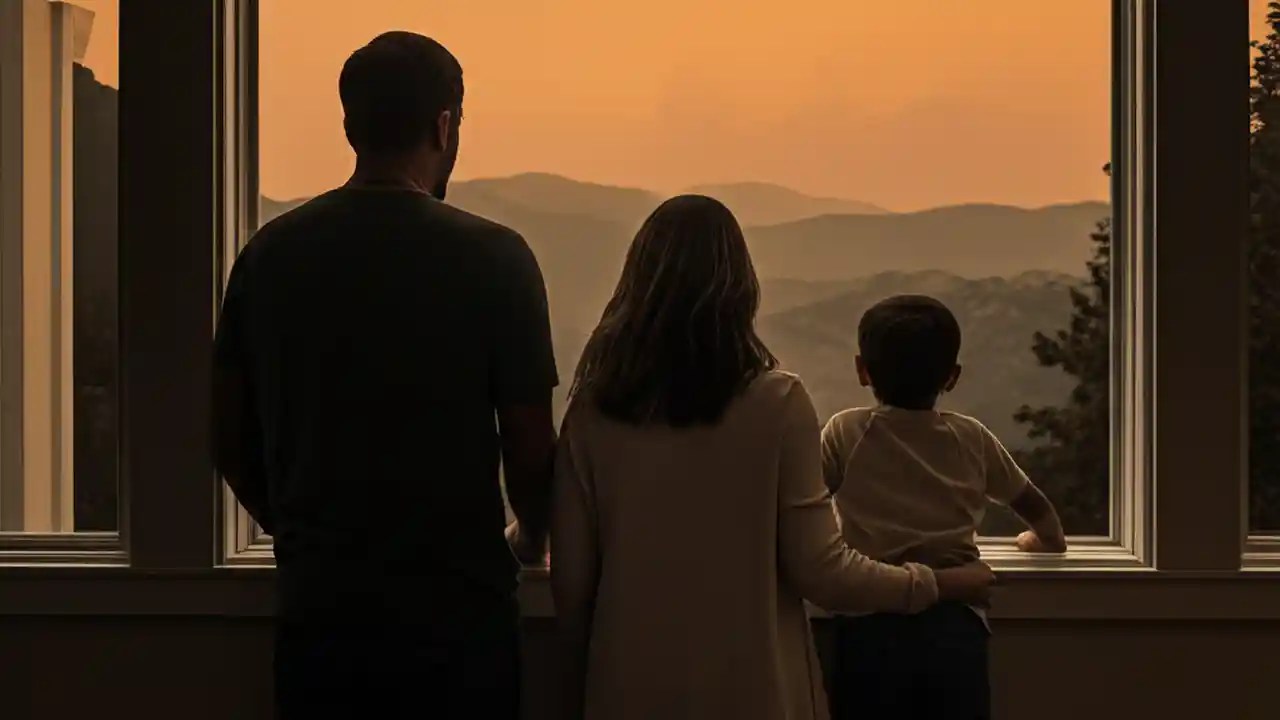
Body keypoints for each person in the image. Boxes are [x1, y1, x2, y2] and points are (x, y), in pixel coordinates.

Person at [211, 32, 557, 719]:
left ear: (349, 126)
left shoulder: (269, 258)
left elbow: (227, 434)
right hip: (459, 623)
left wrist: (297, 528)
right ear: (444, 125)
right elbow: (527, 443)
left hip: (323, 616)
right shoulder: (497, 259)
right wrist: (534, 540)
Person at [549, 196, 996, 720]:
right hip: (757, 693)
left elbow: (572, 584)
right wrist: (939, 582)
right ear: (741, 289)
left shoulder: (592, 410)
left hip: (626, 693)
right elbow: (823, 571)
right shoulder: (777, 402)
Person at [820, 294, 1068, 720]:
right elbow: (1036, 510)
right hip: (955, 624)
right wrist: (1040, 540)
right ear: (951, 377)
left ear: (862, 369)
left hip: (869, 621)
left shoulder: (846, 431)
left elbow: (805, 503)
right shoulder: (970, 437)